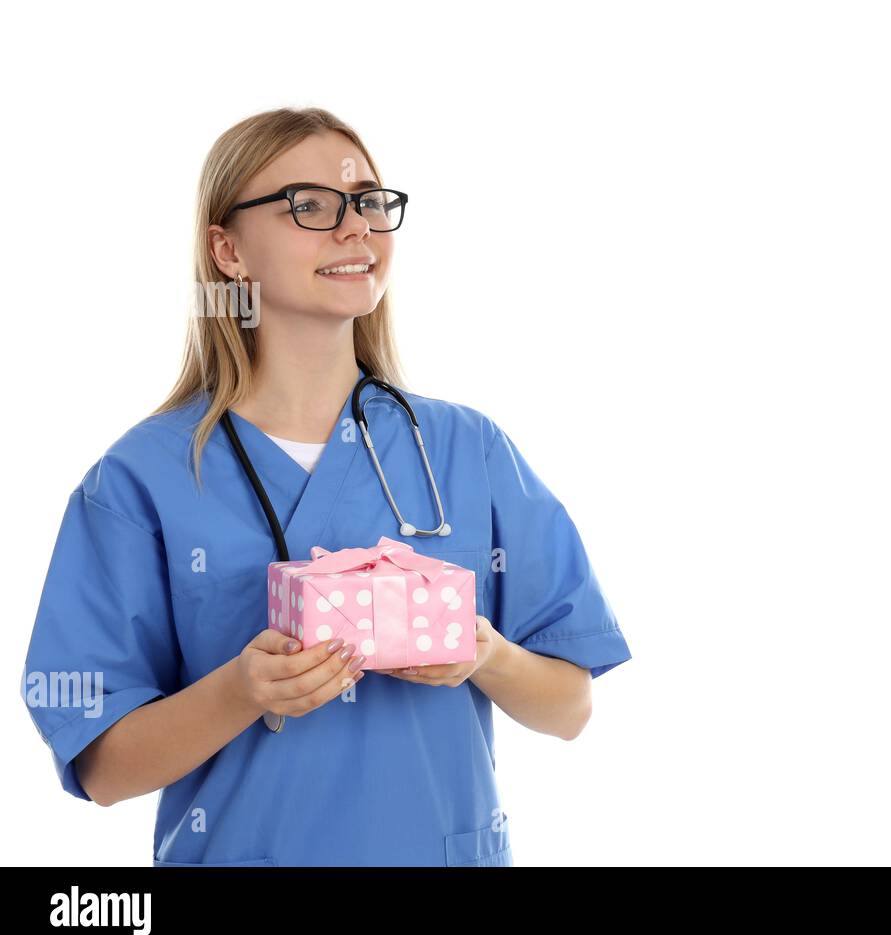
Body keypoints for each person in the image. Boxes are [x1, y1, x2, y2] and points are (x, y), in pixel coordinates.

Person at [19, 107, 631, 866]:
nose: (357, 230)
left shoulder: (467, 450)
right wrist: (244, 690)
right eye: (310, 206)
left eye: (371, 202)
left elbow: (571, 708)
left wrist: (488, 656)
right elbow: (102, 769)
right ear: (228, 249)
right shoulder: (139, 481)